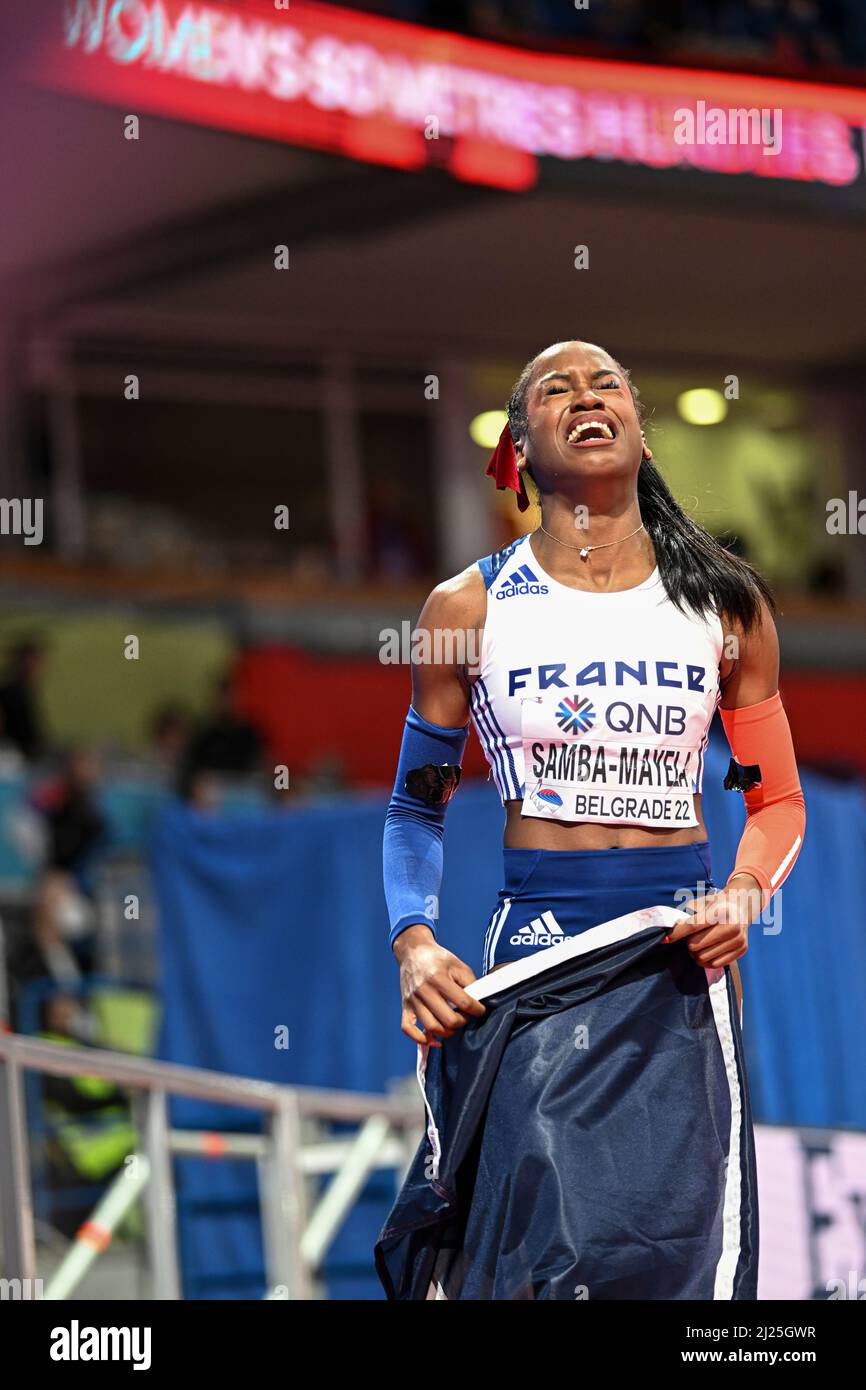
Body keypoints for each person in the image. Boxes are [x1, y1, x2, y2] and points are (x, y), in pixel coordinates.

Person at [376, 340, 805, 1300]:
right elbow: (416, 805)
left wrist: (742, 894)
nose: (586, 397)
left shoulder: (726, 604)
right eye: (555, 390)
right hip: (541, 955)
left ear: (642, 435)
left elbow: (775, 801)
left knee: (679, 1259)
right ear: (518, 448)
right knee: (541, 1255)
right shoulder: (466, 607)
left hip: (681, 962)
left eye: (607, 383)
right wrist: (412, 941)